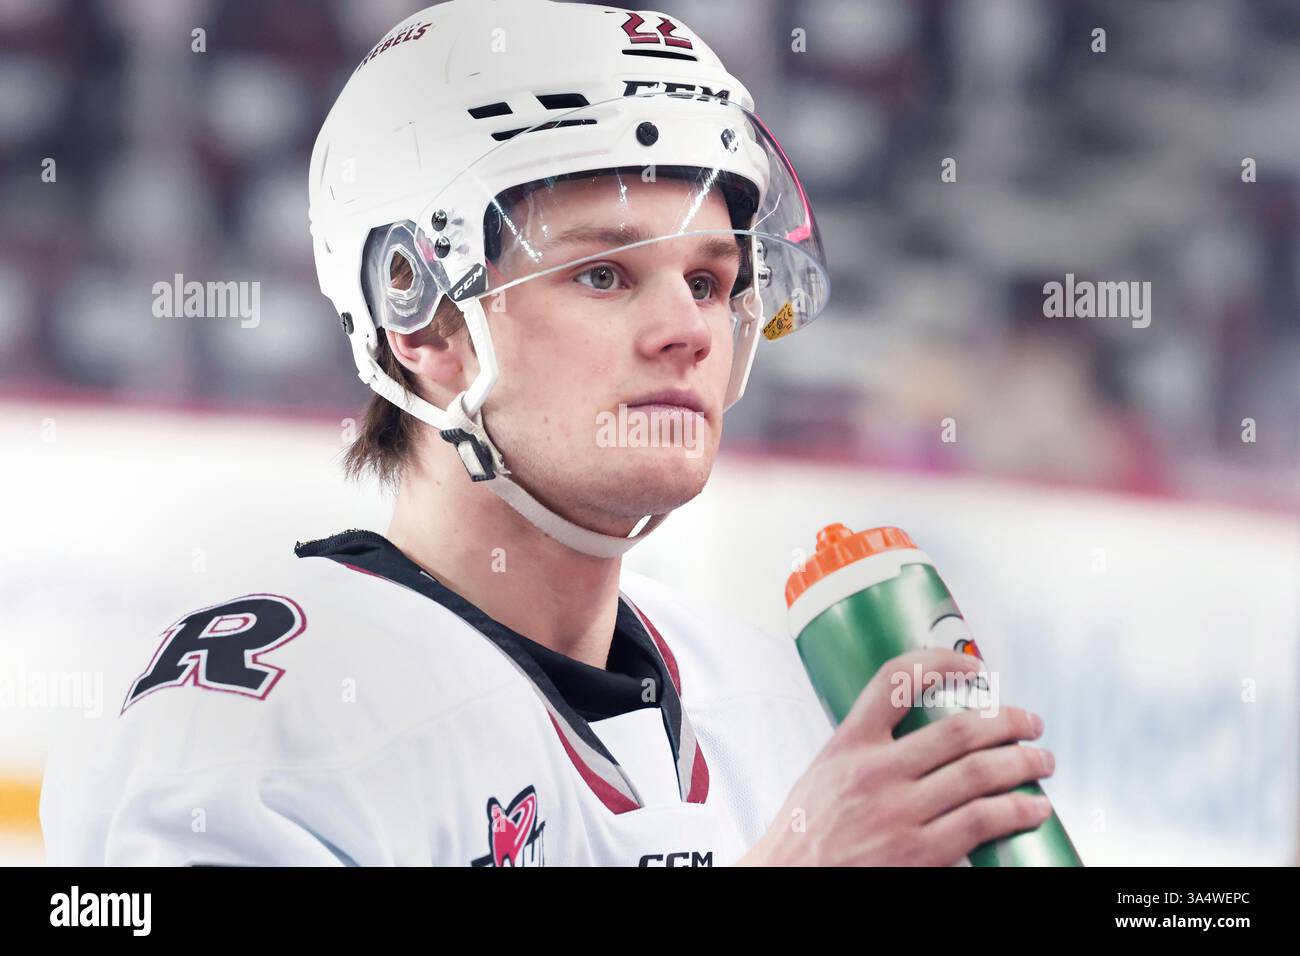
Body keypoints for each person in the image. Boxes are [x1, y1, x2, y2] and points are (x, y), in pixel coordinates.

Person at [40, 0, 1054, 866]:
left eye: (709, 280)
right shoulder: (259, 714)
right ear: (420, 316)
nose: (690, 330)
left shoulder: (771, 702)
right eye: (604, 273)